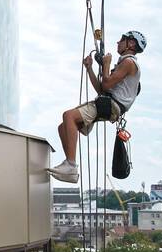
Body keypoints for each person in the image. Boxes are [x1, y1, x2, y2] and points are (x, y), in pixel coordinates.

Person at [48, 30, 146, 183]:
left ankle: (71, 166)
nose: (118, 42)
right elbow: (102, 89)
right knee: (63, 127)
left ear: (131, 43)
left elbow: (106, 85)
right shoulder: (124, 63)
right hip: (109, 103)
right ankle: (70, 165)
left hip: (112, 105)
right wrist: (89, 69)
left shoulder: (129, 63)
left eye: (122, 39)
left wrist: (106, 64)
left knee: (69, 116)